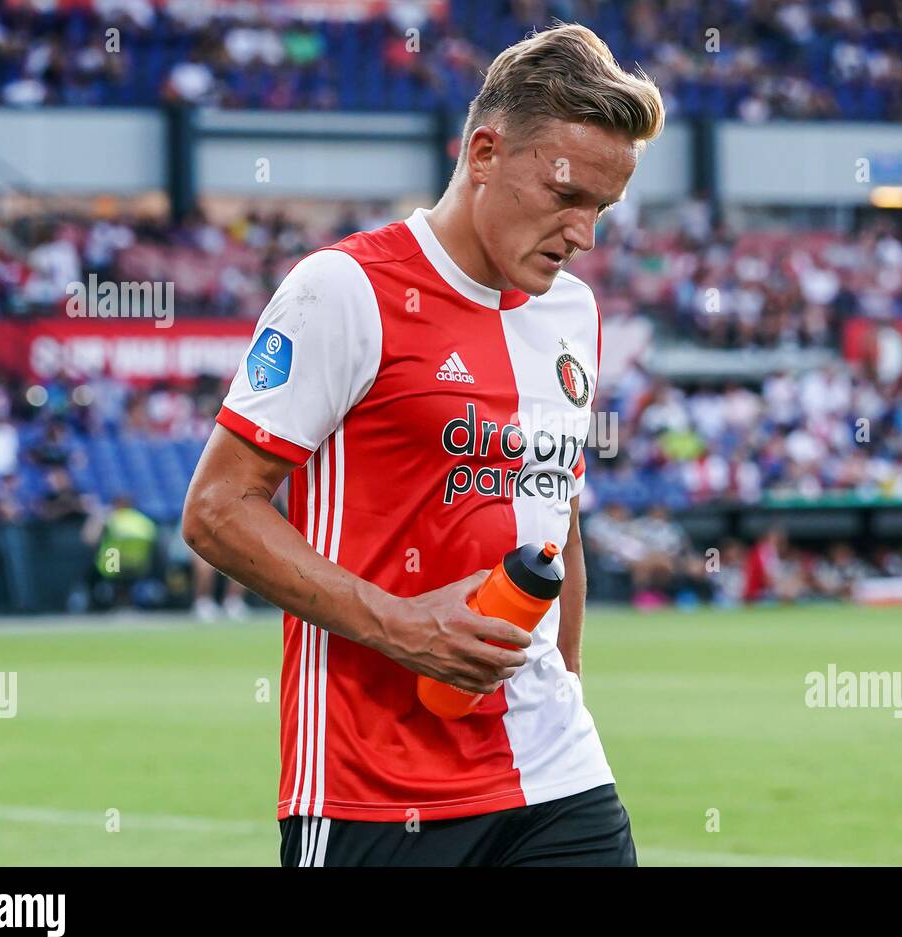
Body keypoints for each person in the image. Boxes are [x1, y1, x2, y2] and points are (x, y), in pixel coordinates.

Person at [183, 23, 663, 867]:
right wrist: (404, 624)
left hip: (556, 771)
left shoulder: (574, 313)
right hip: (371, 782)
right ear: (483, 153)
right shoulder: (344, 289)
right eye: (566, 196)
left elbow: (559, 516)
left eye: (602, 208)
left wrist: (569, 681)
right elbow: (217, 510)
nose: (583, 233)